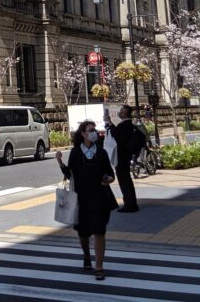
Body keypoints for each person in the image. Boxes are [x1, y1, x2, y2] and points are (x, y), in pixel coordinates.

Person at [56, 120, 118, 281]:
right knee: (83, 233)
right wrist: (60, 162)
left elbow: (110, 173)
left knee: (99, 231)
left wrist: (109, 179)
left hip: (100, 197)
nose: (94, 133)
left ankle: (99, 266)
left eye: (95, 130)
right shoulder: (76, 153)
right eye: (91, 130)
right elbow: (70, 174)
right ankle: (86, 255)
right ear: (83, 133)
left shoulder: (101, 153)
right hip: (81, 199)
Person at [106, 104, 144, 212]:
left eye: (121, 111)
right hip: (124, 156)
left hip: (122, 156)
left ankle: (130, 204)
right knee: (125, 179)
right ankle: (130, 202)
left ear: (124, 113)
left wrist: (110, 124)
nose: (119, 112)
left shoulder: (126, 125)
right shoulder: (127, 124)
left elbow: (119, 138)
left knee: (124, 180)